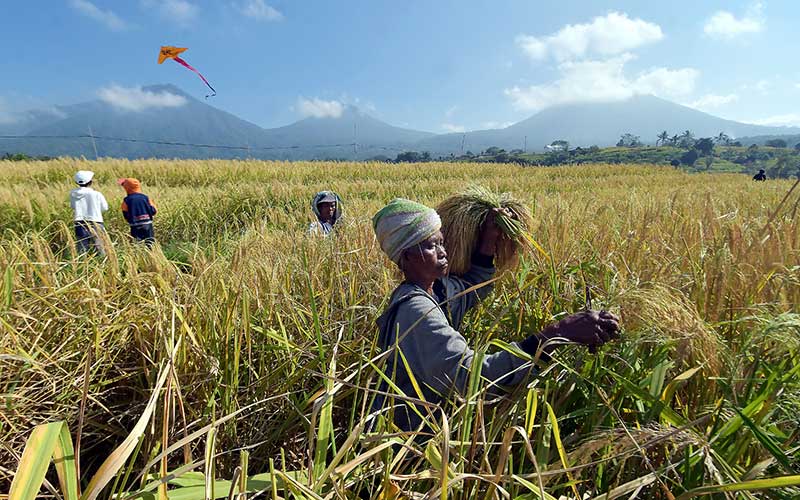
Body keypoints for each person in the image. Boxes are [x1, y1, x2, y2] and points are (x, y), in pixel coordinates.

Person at [371, 198, 620, 434]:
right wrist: (555, 334)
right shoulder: (416, 311)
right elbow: (471, 377)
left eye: (441, 242)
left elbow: (473, 287)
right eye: (430, 245)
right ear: (406, 256)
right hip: (409, 440)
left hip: (432, 430)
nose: (442, 251)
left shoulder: (437, 291)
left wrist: (489, 239)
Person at [70, 170, 109, 256]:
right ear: (90, 182)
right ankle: (103, 266)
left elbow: (73, 206)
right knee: (100, 247)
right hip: (96, 222)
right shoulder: (97, 194)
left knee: (82, 249)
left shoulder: (73, 194)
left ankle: (82, 266)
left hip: (80, 222)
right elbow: (105, 208)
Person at [118, 178, 157, 246]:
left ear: (127, 188)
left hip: (135, 226)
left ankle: (139, 256)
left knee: (137, 244)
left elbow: (125, 213)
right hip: (147, 224)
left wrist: (130, 220)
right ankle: (152, 255)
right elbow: (153, 211)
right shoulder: (146, 198)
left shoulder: (126, 200)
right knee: (150, 243)